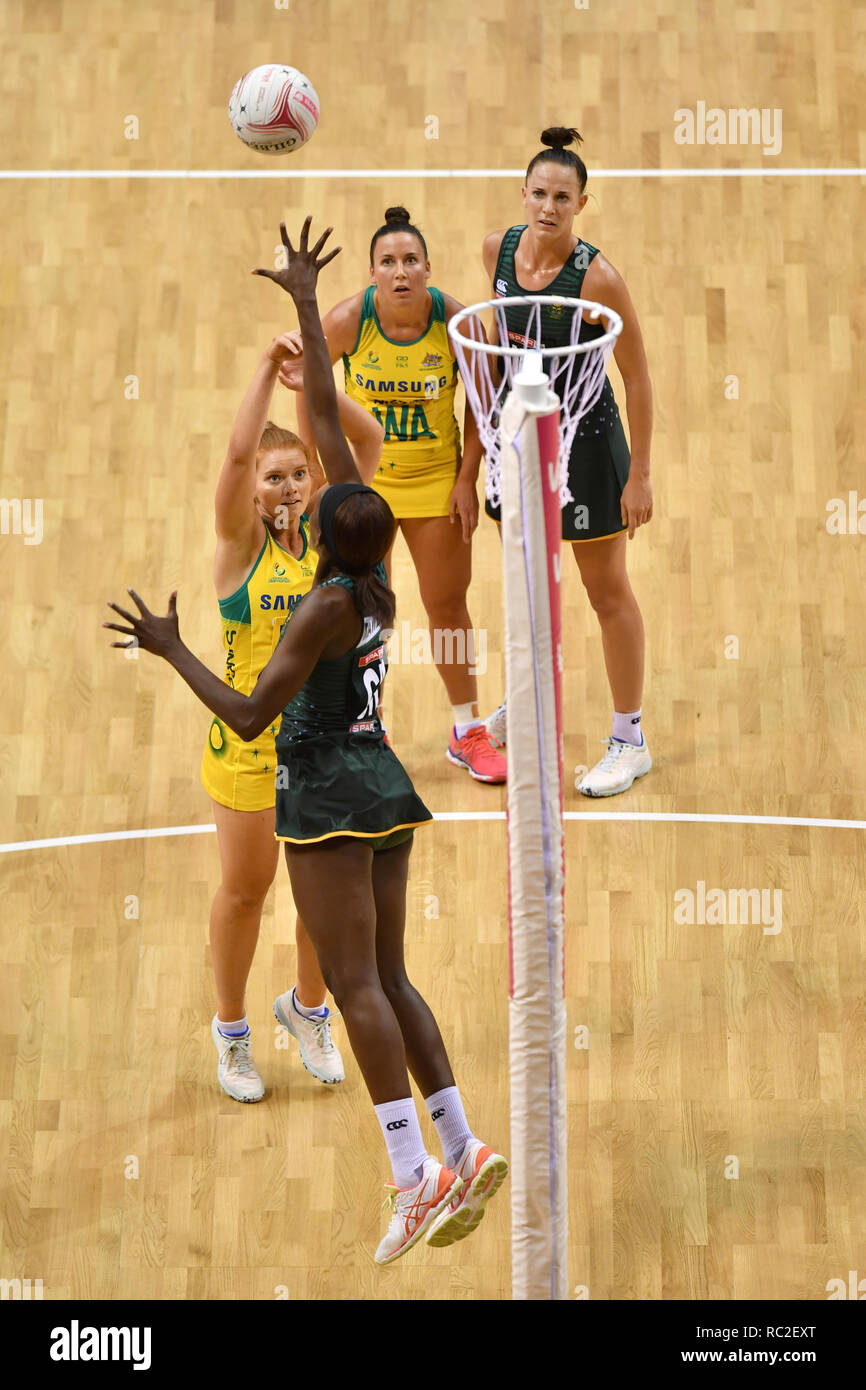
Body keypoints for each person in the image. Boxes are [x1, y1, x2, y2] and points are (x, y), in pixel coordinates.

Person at [105, 217, 507, 1263]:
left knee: (359, 985)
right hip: (381, 780)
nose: (313, 485)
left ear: (328, 520)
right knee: (396, 978)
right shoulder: (372, 576)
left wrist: (172, 648)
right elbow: (328, 421)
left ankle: (414, 1175)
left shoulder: (327, 602)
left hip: (324, 785)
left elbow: (247, 714)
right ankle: (462, 1142)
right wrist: (302, 304)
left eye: (318, 493)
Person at [199, 328, 383, 1102]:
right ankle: (231, 1033)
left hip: (320, 751)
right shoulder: (240, 550)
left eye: (297, 474)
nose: (285, 486)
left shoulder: (333, 542)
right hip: (246, 750)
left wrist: (316, 380)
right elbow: (237, 458)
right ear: (252, 493)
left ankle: (309, 1010)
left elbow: (365, 441)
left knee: (319, 895)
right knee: (248, 890)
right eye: (273, 477)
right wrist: (262, 372)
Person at [304, 206, 506, 783]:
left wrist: (468, 478)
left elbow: (482, 407)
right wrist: (320, 475)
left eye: (410, 261)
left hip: (437, 483)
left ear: (427, 268)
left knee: (447, 607)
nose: (400, 272)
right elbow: (311, 386)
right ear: (372, 274)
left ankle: (467, 731)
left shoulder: (458, 323)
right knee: (366, 611)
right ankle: (368, 727)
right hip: (367, 488)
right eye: (388, 262)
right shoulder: (348, 321)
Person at [481, 127, 654, 798]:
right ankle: (526, 705)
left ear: (582, 204)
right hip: (524, 441)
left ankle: (629, 738)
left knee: (605, 592)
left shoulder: (598, 278)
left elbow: (636, 375)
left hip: (588, 446)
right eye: (539, 194)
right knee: (528, 590)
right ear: (522, 194)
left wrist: (639, 473)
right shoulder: (496, 251)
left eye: (563, 197)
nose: (548, 207)